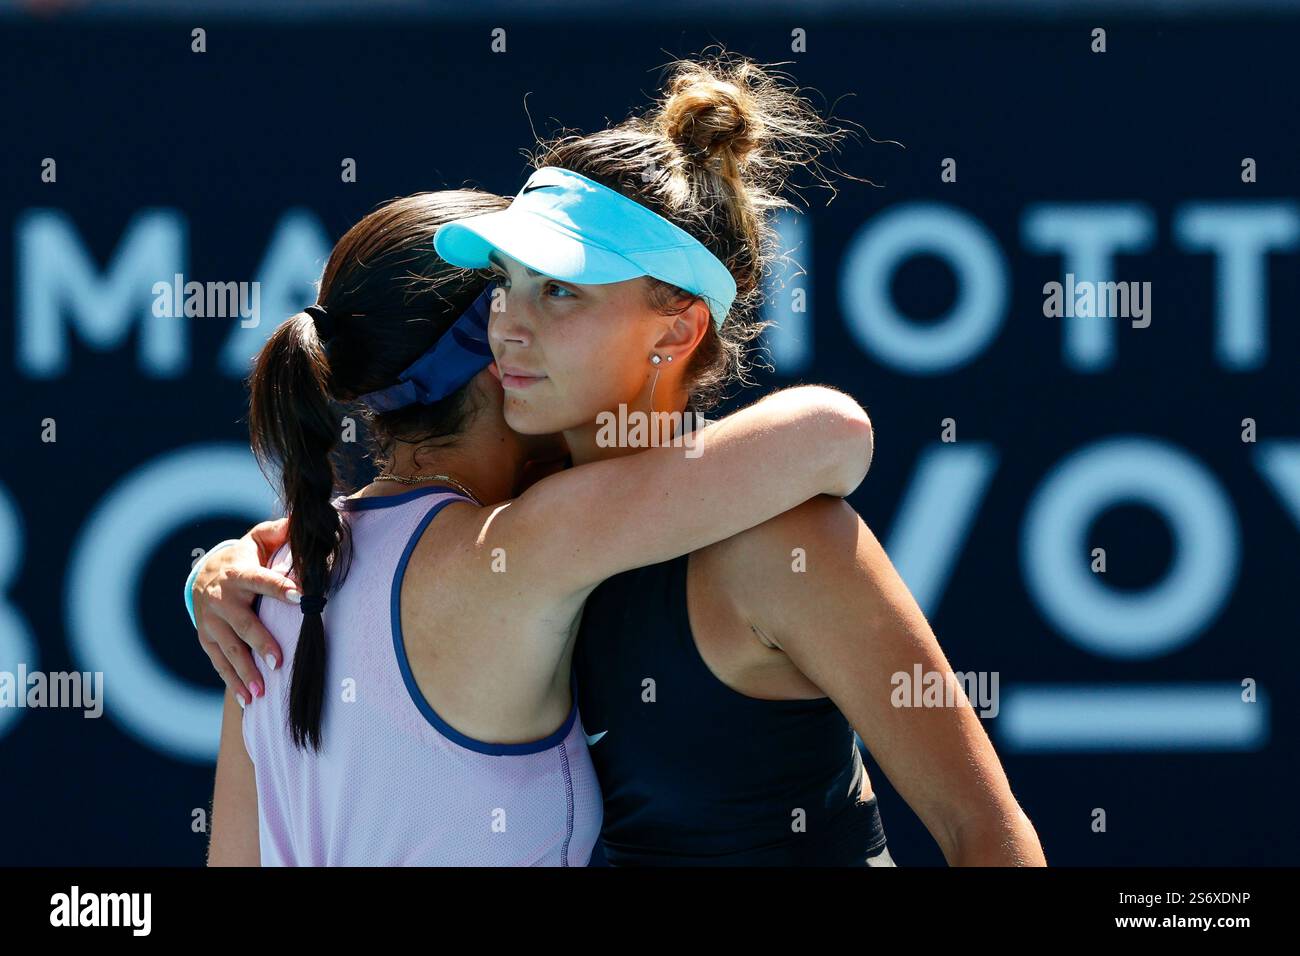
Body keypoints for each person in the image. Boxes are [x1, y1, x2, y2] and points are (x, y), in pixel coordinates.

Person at [199, 51, 1045, 866]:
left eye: (560, 290)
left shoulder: (781, 546)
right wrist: (222, 569)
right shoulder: (506, 540)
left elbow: (987, 835)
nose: (511, 327)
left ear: (676, 329)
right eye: (507, 284)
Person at [201, 186, 876, 866]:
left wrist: (207, 577)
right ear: (500, 353)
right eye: (520, 292)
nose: (533, 319)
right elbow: (830, 433)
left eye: (556, 292)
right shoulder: (521, 546)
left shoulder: (265, 592)